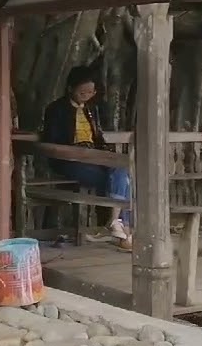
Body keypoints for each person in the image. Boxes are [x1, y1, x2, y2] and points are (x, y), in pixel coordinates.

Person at [39, 66, 132, 246]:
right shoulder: (56, 109)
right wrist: (76, 150)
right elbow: (52, 139)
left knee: (122, 171)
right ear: (70, 88)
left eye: (91, 92)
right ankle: (123, 230)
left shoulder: (91, 110)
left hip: (94, 157)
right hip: (70, 160)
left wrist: (105, 153)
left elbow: (98, 138)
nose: (87, 96)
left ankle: (115, 222)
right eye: (83, 92)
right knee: (120, 181)